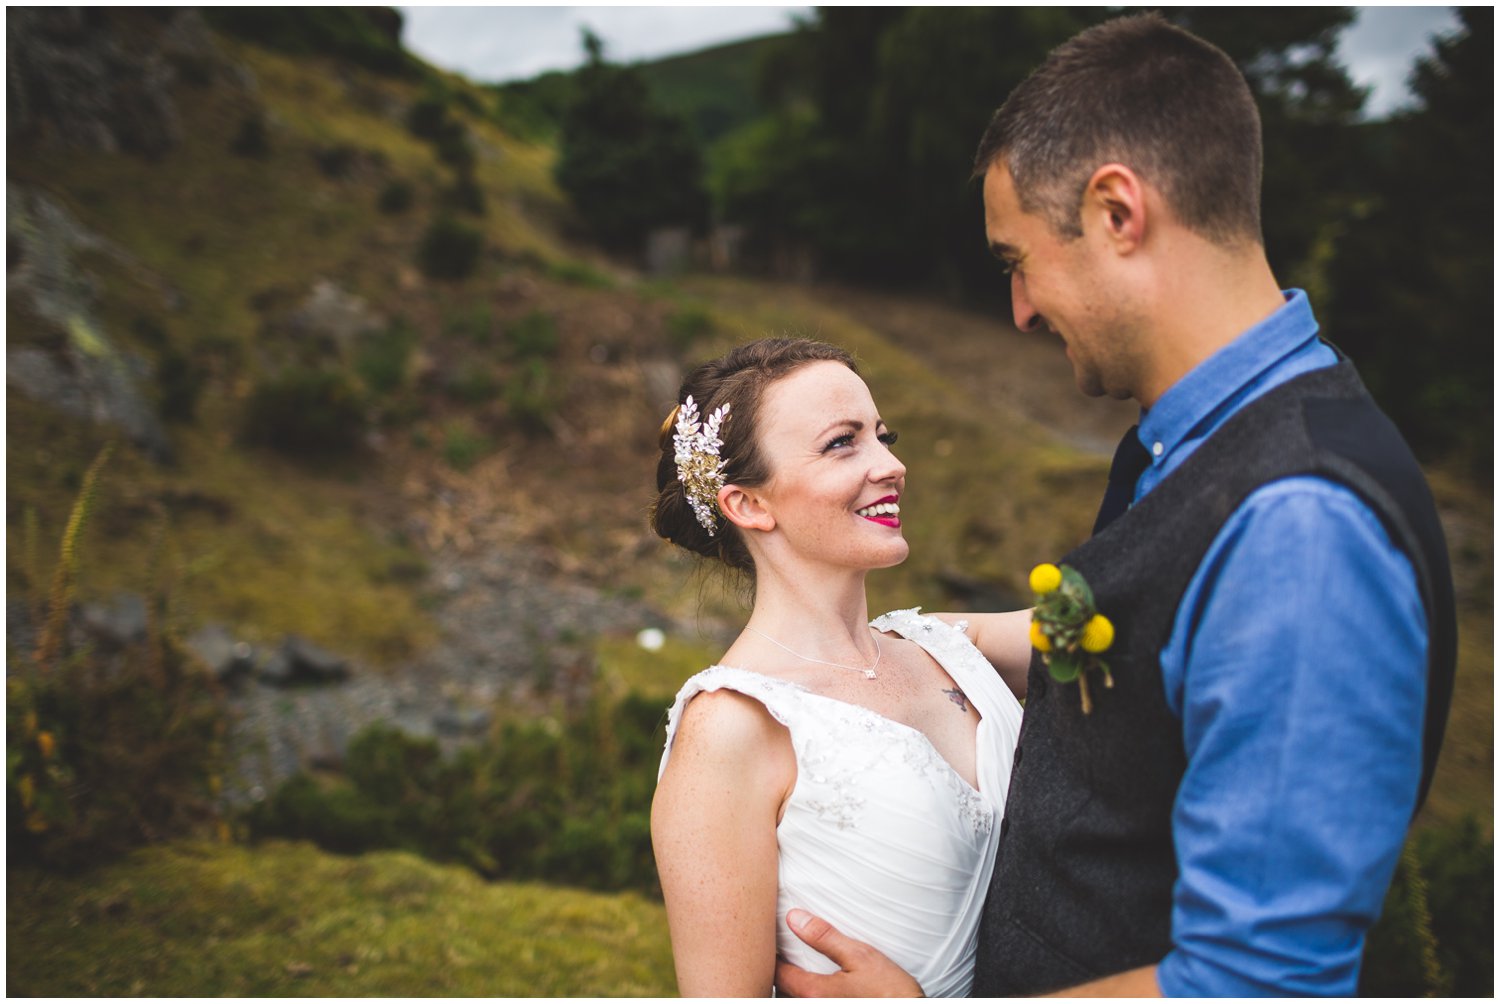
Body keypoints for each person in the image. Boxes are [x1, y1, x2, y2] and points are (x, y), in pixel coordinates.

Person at [774, 13, 1457, 998]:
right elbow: (1146, 643)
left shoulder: (1302, 528)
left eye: (1017, 261)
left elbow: (1259, 981)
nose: (1019, 310)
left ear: (1116, 213)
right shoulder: (1190, 438)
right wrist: (927, 638)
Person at [649, 337, 1034, 996]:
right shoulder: (730, 728)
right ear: (749, 505)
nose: (891, 464)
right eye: (842, 443)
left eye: (884, 436)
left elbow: (1141, 630)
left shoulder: (945, 643)